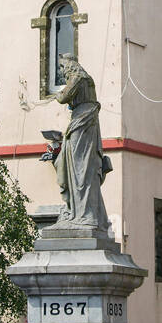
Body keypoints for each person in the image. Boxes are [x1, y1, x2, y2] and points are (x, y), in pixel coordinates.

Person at [52, 56, 111, 229]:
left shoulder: (77, 77)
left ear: (69, 65)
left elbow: (63, 97)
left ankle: (82, 214)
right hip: (85, 121)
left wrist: (57, 94)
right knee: (71, 163)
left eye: (62, 67)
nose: (62, 72)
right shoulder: (87, 78)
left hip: (82, 122)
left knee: (80, 169)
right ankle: (76, 210)